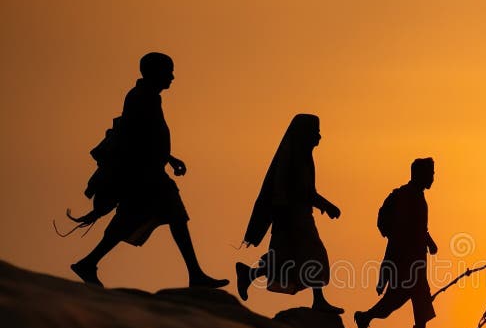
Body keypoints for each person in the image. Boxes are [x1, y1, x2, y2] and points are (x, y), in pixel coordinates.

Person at [70, 52, 228, 289]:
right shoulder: (142, 97)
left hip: (149, 173)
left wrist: (170, 159)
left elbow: (145, 135)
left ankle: (89, 262)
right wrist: (158, 163)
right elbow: (134, 138)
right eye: (169, 71)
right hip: (144, 176)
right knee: (169, 217)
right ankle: (194, 274)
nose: (172, 77)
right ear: (156, 72)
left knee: (155, 218)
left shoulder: (146, 96)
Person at [236, 114, 343, 313]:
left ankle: (250, 274)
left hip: (298, 215)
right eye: (315, 132)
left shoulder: (302, 156)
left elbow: (306, 191)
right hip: (292, 217)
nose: (319, 137)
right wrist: (326, 205)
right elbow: (299, 191)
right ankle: (318, 300)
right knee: (313, 256)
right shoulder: (292, 158)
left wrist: (323, 204)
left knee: (289, 261)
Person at [354, 157, 444, 328]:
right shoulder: (407, 195)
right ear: (421, 174)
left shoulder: (416, 195)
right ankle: (367, 318)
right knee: (406, 296)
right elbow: (406, 229)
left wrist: (429, 242)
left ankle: (367, 318)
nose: (433, 177)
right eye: (431, 173)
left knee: (405, 297)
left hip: (414, 258)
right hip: (405, 258)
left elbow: (419, 228)